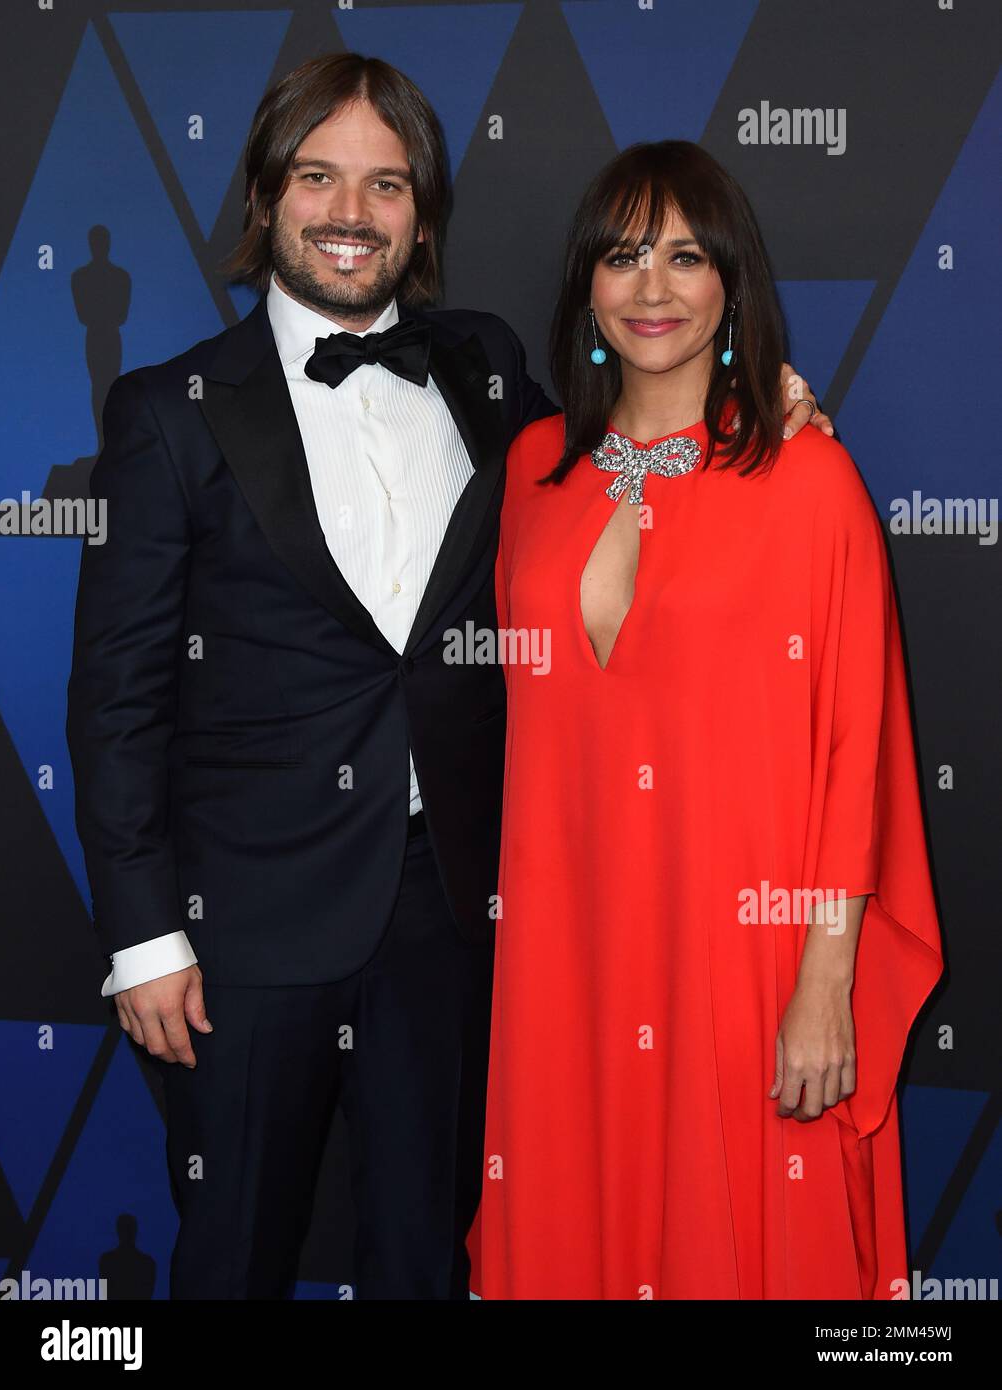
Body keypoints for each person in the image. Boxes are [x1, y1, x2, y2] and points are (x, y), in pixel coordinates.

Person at [66, 54, 827, 1301]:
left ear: (422, 216)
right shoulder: (171, 411)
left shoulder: (484, 374)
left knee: (427, 1252)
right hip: (241, 937)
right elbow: (116, 697)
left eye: (385, 182)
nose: (350, 212)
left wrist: (773, 404)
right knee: (233, 1257)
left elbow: (628, 451)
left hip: (454, 917)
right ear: (264, 198)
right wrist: (145, 938)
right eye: (317, 176)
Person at [474, 140, 943, 1299]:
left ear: (732, 284)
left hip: (746, 953)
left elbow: (856, 744)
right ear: (586, 282)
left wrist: (825, 978)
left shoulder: (806, 476)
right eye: (625, 254)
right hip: (565, 955)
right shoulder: (534, 471)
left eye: (686, 256)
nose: (652, 285)